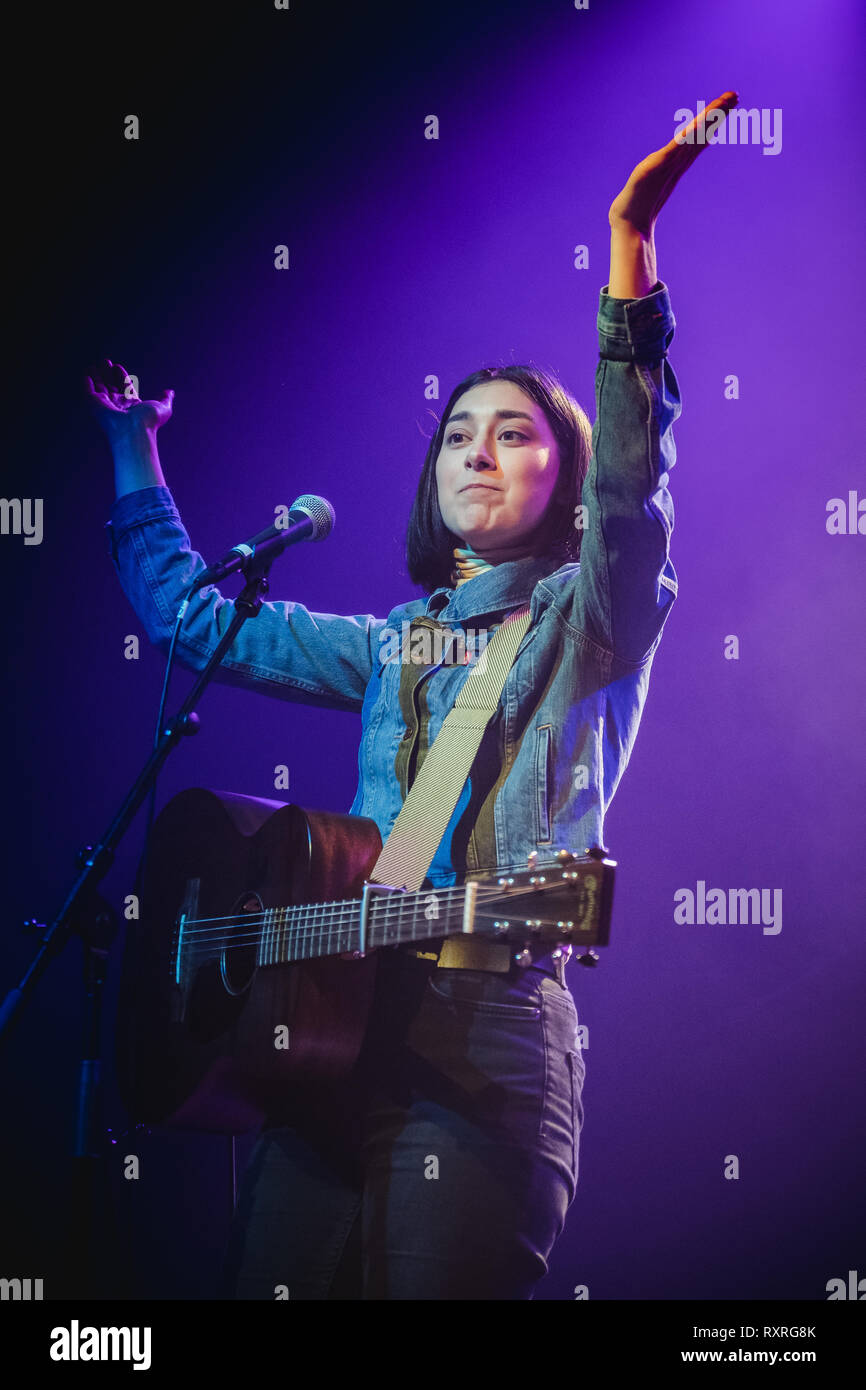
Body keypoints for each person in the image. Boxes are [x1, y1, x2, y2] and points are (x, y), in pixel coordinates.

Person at [87, 93, 738, 1300]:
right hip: (324, 1028)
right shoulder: (394, 641)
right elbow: (189, 620)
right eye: (454, 435)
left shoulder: (592, 617)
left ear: (565, 468)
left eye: (514, 434)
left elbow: (631, 503)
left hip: (481, 1046)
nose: (476, 452)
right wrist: (135, 442)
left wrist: (629, 255)